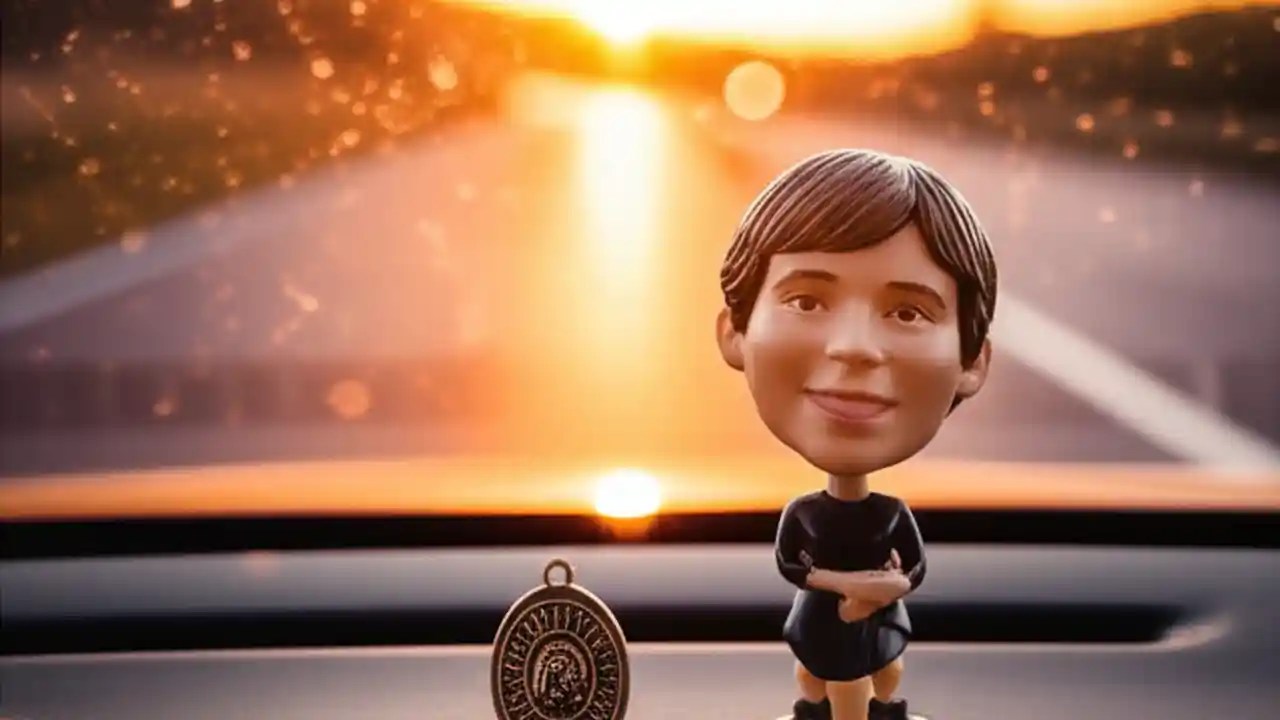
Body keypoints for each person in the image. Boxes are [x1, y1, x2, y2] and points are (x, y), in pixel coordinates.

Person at [714, 148, 998, 720]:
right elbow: (794, 565)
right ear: (734, 331)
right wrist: (848, 584)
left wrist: (882, 591)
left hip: (879, 623)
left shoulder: (891, 515)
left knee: (876, 674)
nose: (854, 346)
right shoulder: (808, 517)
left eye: (908, 313)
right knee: (823, 674)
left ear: (973, 361)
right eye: (807, 301)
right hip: (822, 623)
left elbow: (912, 571)